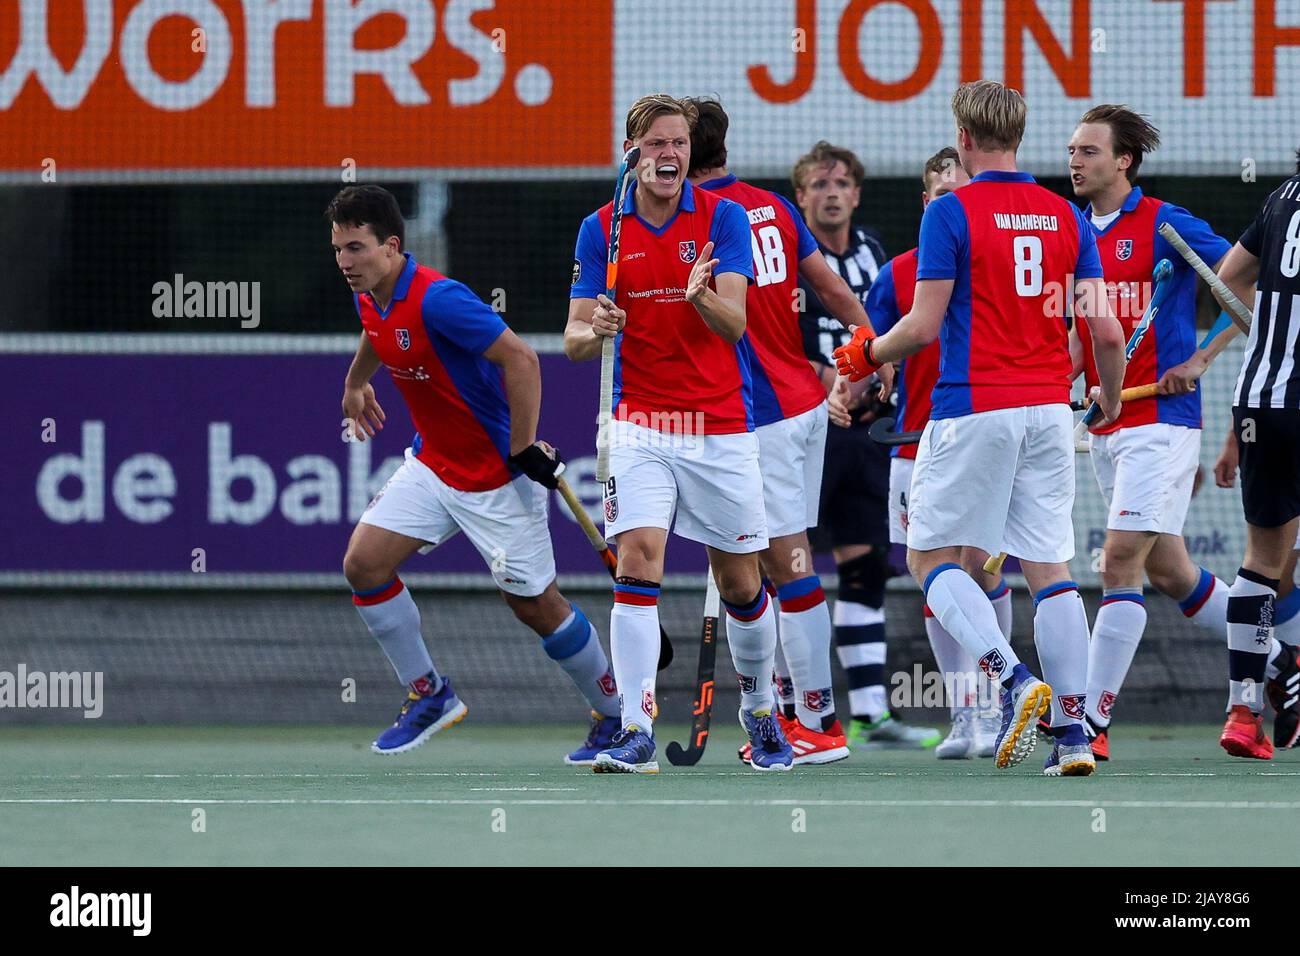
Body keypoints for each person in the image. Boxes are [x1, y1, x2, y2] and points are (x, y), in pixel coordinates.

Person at [834, 80, 1126, 776]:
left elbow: (923, 325)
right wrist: (1107, 399)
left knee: (929, 561)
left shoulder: (951, 212)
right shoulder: (1068, 216)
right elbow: (1106, 331)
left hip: (974, 409)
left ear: (963, 139)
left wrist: (863, 355)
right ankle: (1076, 737)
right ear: (1019, 136)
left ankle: (1015, 679)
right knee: (1050, 571)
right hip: (1051, 411)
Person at [329, 185, 620, 762]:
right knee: (363, 565)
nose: (344, 262)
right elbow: (378, 333)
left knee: (535, 606)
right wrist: (355, 382)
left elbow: (521, 359)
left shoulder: (441, 299)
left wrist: (520, 445)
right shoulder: (370, 292)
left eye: (355, 248)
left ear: (390, 247)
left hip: (498, 479)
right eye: (337, 249)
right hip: (433, 466)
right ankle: (430, 695)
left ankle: (616, 716)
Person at [565, 93, 791, 773]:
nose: (670, 156)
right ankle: (635, 727)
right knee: (638, 559)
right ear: (633, 151)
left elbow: (736, 326)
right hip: (639, 422)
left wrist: (701, 296)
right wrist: (593, 330)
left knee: (743, 582)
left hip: (720, 425)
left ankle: (759, 712)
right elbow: (574, 338)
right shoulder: (599, 227)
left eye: (680, 144)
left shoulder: (723, 218)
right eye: (657, 144)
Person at [685, 97, 887, 766]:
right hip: (805, 408)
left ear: (682, 151)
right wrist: (869, 348)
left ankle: (819, 725)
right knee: (775, 568)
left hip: (761, 417)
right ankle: (800, 711)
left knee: (786, 565)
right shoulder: (772, 205)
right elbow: (831, 290)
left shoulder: (696, 218)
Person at [1065, 104, 1245, 760]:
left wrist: (1198, 359)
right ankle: (1278, 653)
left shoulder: (1167, 224)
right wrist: (1069, 374)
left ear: (1123, 160)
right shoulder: (1075, 232)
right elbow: (1084, 332)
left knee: (1117, 563)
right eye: (1072, 150)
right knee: (1170, 570)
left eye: (1088, 151)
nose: (1075, 161)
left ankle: (1089, 722)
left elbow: (1246, 293)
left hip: (1163, 425)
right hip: (1109, 423)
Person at [793, 140, 940, 750]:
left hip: (868, 431)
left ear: (856, 193)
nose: (831, 193)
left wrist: (882, 378)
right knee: (789, 561)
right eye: (818, 184)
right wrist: (828, 379)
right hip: (805, 426)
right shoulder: (786, 255)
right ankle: (790, 708)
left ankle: (871, 713)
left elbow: (894, 330)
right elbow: (770, 339)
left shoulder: (876, 250)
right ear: (800, 196)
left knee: (865, 565)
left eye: (842, 183)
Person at [869, 146, 1008, 759]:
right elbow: (870, 350)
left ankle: (1001, 703)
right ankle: (966, 714)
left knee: (981, 566)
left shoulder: (996, 261)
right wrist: (852, 388)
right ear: (926, 204)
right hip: (915, 445)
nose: (952, 202)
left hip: (980, 435)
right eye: (941, 195)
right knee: (932, 574)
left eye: (963, 191)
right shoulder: (897, 275)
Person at [1207, 159, 1300, 756]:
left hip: (1261, 401)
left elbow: (1227, 279)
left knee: (1261, 562)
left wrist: (1270, 325)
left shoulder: (1283, 197)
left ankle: (1243, 710)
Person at [1213, 423, 1300, 748]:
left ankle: (1246, 710)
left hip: (1258, 412)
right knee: (1270, 567)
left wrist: (1235, 438)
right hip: (1275, 412)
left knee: (1266, 567)